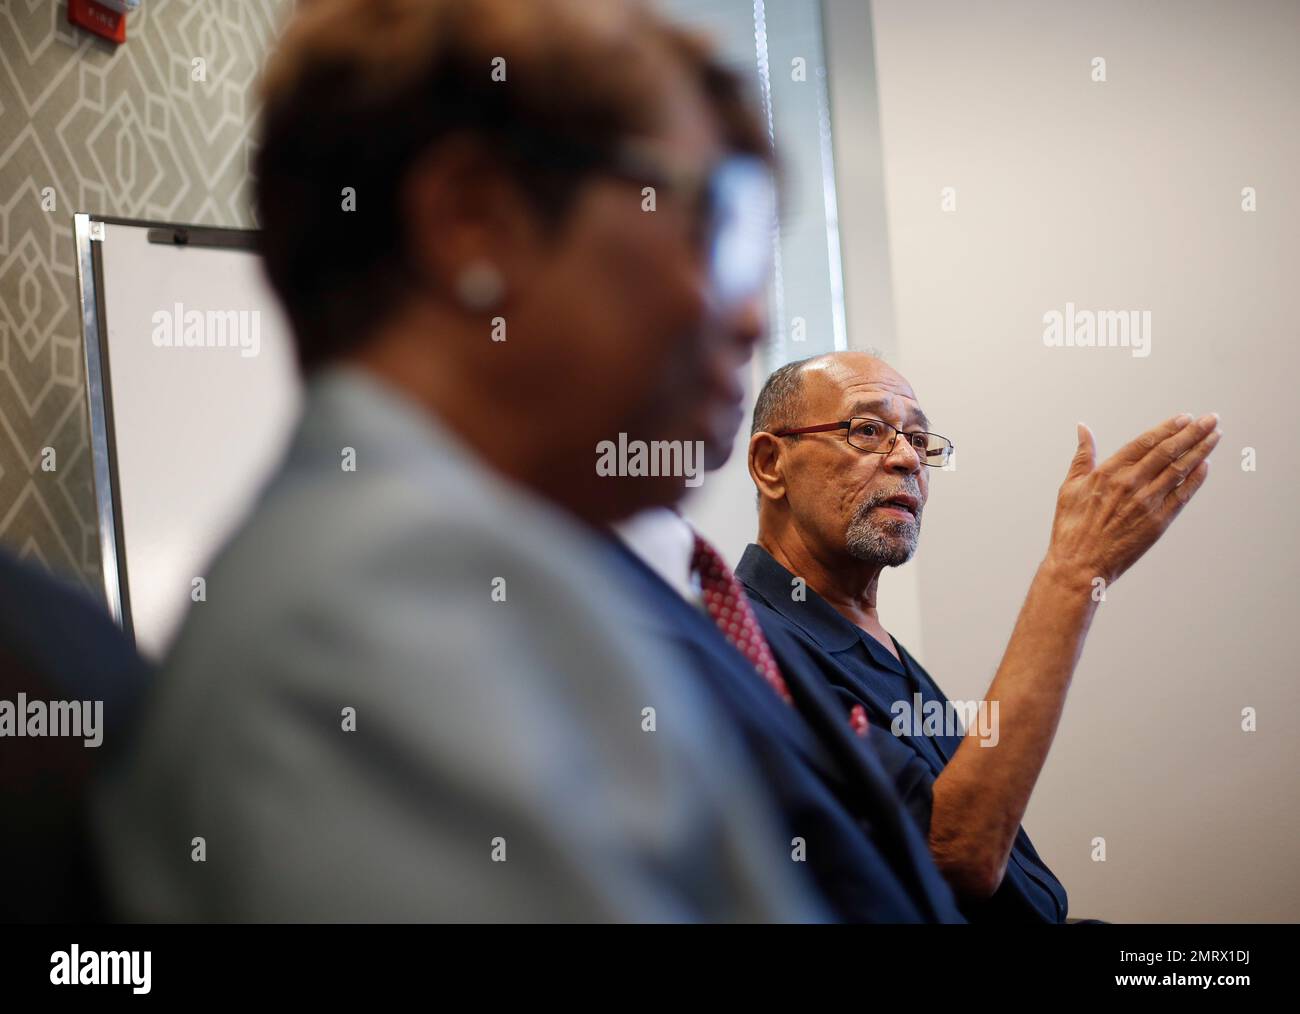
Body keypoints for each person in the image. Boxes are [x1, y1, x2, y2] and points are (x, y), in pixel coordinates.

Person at [94, 0, 826, 923]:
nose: (753, 315)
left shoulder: (467, 574)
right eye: (712, 221)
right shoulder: (385, 607)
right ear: (473, 222)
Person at [738, 351, 1219, 921]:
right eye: (867, 430)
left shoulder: (870, 642)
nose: (905, 459)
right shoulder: (752, 645)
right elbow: (956, 855)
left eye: (919, 440)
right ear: (771, 464)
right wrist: (1073, 572)